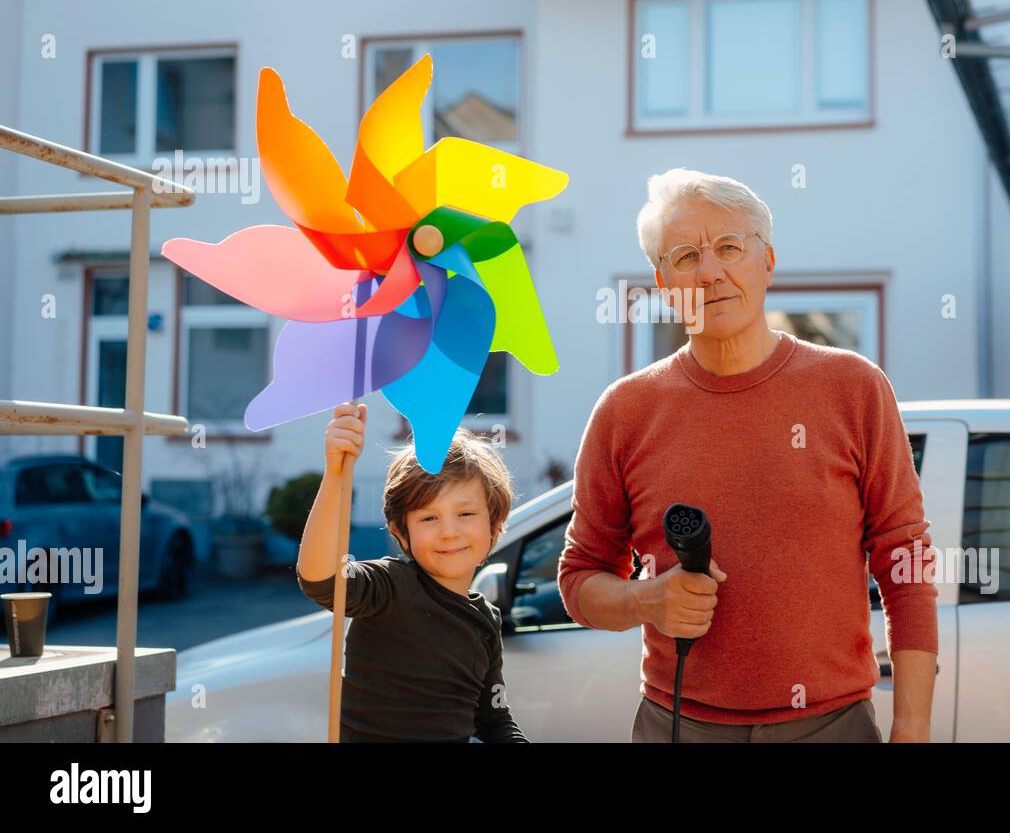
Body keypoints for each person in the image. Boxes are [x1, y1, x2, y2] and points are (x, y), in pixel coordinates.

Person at [557, 168, 939, 742]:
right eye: (685, 256)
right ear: (663, 281)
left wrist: (912, 729)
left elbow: (905, 560)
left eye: (730, 247)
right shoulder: (625, 411)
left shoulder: (853, 387)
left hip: (831, 725)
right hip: (677, 724)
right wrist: (645, 599)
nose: (711, 272)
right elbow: (580, 577)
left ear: (768, 262)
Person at [297, 402, 528, 742]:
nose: (449, 531)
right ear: (400, 532)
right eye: (428, 518)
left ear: (495, 524)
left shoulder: (485, 621)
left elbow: (493, 720)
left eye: (465, 514)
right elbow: (322, 580)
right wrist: (335, 473)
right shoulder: (390, 586)